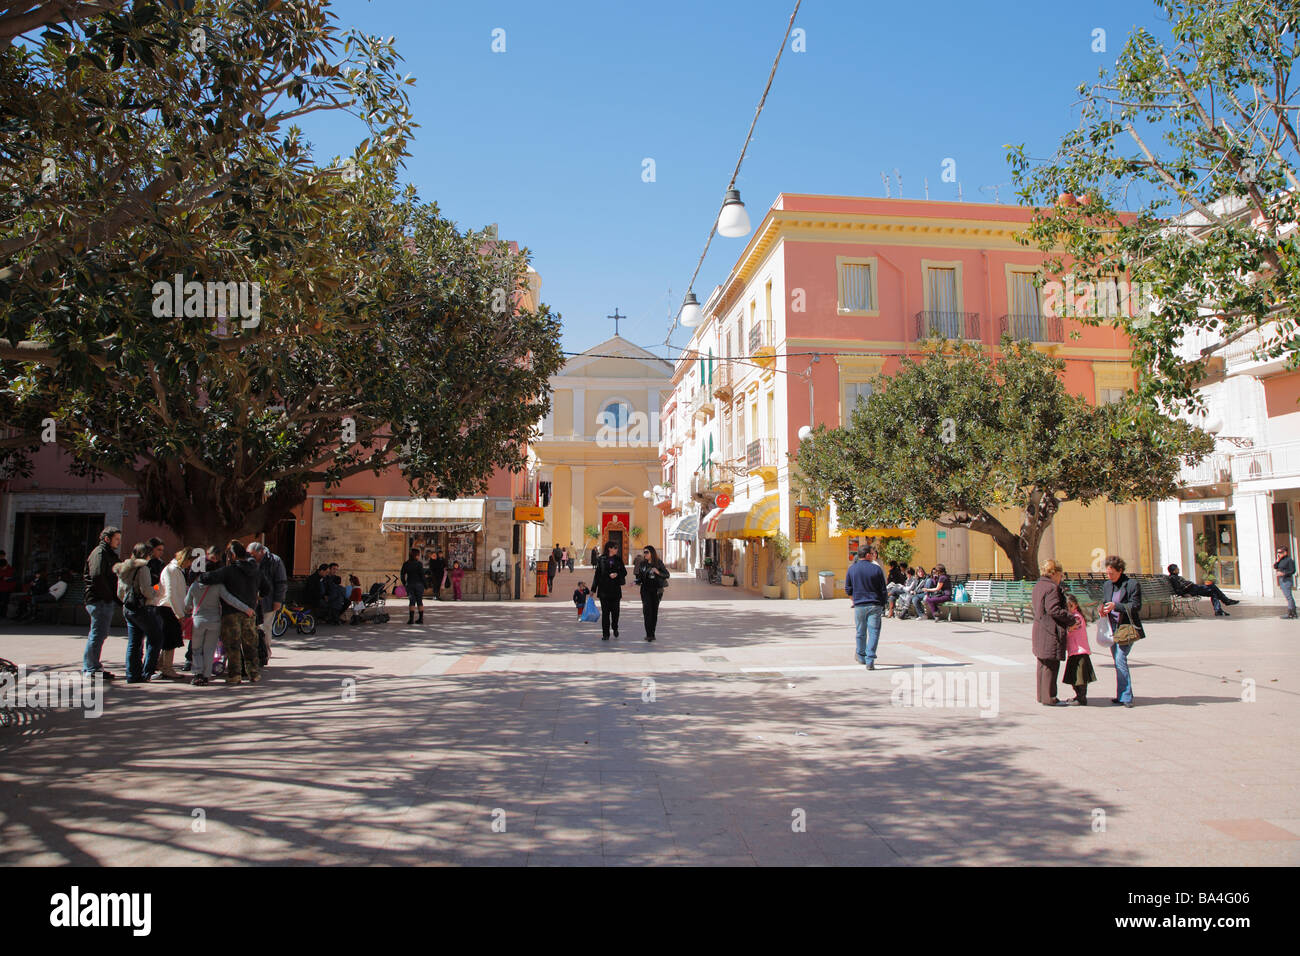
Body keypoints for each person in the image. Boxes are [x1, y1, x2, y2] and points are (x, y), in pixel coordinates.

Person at [183, 548, 255, 685]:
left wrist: (185, 612)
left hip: (198, 620)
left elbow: (186, 605)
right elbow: (231, 600)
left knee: (196, 649)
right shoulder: (218, 586)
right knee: (209, 649)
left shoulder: (194, 586)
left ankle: (197, 673)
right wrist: (247, 609)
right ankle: (206, 675)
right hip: (215, 621)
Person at [198, 540, 265, 685]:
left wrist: (201, 569)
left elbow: (206, 578)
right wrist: (257, 596)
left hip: (231, 613)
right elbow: (266, 588)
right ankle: (254, 673)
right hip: (250, 612)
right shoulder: (256, 570)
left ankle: (235, 675)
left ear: (232, 555)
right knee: (250, 644)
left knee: (232, 645)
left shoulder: (228, 571)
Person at [115, 543, 164, 683]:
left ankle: (132, 674)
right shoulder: (143, 569)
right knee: (156, 638)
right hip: (141, 608)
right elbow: (146, 591)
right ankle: (147, 671)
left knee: (134, 642)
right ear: (146, 555)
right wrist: (156, 589)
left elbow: (119, 592)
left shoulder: (124, 568)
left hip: (128, 607)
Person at [1101, 554, 1144, 708]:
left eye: (1111, 573)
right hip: (1112, 628)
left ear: (1120, 571)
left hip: (1126, 628)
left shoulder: (1131, 584)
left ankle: (1126, 696)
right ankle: (1121, 694)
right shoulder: (1107, 585)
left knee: (1120, 659)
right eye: (1107, 573)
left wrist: (1116, 606)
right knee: (1117, 661)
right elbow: (1105, 602)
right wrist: (1103, 610)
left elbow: (1136, 606)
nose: (1109, 575)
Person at [1031, 558, 1073, 706]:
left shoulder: (1038, 586)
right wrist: (1071, 619)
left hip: (1040, 628)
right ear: (1054, 573)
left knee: (1042, 663)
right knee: (1051, 664)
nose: (1061, 579)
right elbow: (1054, 609)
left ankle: (1042, 696)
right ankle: (1050, 697)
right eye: (1060, 575)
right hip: (1050, 630)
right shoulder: (1052, 588)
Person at [82, 526, 121, 680]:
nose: (118, 542)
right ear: (107, 539)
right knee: (97, 635)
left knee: (99, 634)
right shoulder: (99, 553)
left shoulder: (109, 554)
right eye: (116, 539)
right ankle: (91, 668)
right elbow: (97, 575)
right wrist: (108, 597)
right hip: (99, 600)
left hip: (103, 600)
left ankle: (93, 666)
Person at [845, 543, 887, 669]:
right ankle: (870, 659)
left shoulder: (852, 569)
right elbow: (883, 589)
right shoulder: (876, 569)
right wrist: (883, 603)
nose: (874, 556)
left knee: (860, 632)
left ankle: (861, 655)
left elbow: (848, 588)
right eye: (872, 553)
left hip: (859, 605)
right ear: (868, 555)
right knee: (874, 632)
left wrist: (854, 600)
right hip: (874, 604)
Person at [155, 548, 190, 679]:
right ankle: (167, 667)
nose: (189, 565)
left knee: (169, 639)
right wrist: (179, 613)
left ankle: (161, 664)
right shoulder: (171, 570)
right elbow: (171, 594)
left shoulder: (177, 570)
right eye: (189, 561)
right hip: (168, 609)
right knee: (170, 640)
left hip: (172, 609)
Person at [1166, 563, 1238, 616]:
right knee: (1212, 586)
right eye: (1177, 569)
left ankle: (1218, 610)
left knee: (1214, 593)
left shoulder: (1176, 577)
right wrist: (1184, 594)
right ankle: (1226, 601)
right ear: (1174, 571)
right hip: (1192, 590)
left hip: (1194, 588)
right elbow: (1177, 590)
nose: (1178, 569)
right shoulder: (1173, 578)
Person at [1062, 593, 1096, 705]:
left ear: (1075, 605)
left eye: (1070, 606)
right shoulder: (1072, 617)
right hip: (1073, 651)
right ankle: (1078, 696)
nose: (1068, 609)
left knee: (1080, 677)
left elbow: (1071, 628)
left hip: (1080, 651)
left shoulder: (1076, 617)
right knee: (1074, 677)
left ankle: (1082, 697)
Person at [636, 545, 670, 642]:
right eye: (644, 552)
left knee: (654, 612)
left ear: (652, 553)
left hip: (656, 591)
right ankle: (648, 634)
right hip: (645, 591)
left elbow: (667, 575)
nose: (645, 554)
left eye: (647, 552)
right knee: (647, 612)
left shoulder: (658, 563)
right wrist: (635, 581)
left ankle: (652, 633)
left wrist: (658, 572)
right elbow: (639, 577)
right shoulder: (642, 564)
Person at [594, 541, 627, 640]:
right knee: (605, 613)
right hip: (604, 591)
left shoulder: (618, 559)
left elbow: (624, 572)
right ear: (609, 548)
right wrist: (593, 589)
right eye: (615, 547)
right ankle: (605, 634)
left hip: (615, 591)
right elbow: (597, 575)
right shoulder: (601, 559)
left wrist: (617, 574)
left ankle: (615, 627)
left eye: (617, 548)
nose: (617, 549)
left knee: (615, 612)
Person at [400, 547, 427, 624]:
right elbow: (422, 575)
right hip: (419, 584)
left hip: (410, 584)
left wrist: (404, 583)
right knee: (419, 601)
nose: (419, 556)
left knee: (411, 601)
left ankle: (411, 619)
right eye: (418, 555)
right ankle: (421, 618)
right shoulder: (419, 564)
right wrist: (425, 585)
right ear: (416, 555)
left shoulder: (406, 564)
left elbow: (402, 575)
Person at [1275, 546, 1296, 620]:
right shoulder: (1281, 560)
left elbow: (1293, 570)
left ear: (1285, 552)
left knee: (1288, 597)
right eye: (1277, 552)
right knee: (1288, 596)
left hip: (1286, 579)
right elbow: (1275, 566)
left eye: (1280, 552)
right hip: (1281, 580)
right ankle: (1293, 612)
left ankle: (1291, 613)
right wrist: (1277, 560)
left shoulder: (1289, 560)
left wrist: (1283, 573)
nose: (1278, 554)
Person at [0, 555, 15, 620]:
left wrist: (8, 579)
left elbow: (13, 578)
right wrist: (2, 578)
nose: (3, 568)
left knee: (5, 602)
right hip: (1, 588)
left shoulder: (10, 569)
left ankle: (3, 615)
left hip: (7, 589)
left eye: (4, 567)